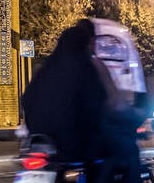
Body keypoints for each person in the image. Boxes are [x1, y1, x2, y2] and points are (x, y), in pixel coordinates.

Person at [77, 18, 144, 183]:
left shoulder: (57, 65)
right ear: (91, 40)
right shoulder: (94, 65)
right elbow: (113, 101)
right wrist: (131, 114)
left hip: (60, 132)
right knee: (125, 150)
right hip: (92, 130)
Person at [21, 23, 107, 163]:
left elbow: (27, 98)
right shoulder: (83, 67)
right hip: (70, 140)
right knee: (109, 154)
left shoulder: (46, 67)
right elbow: (96, 101)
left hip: (38, 139)